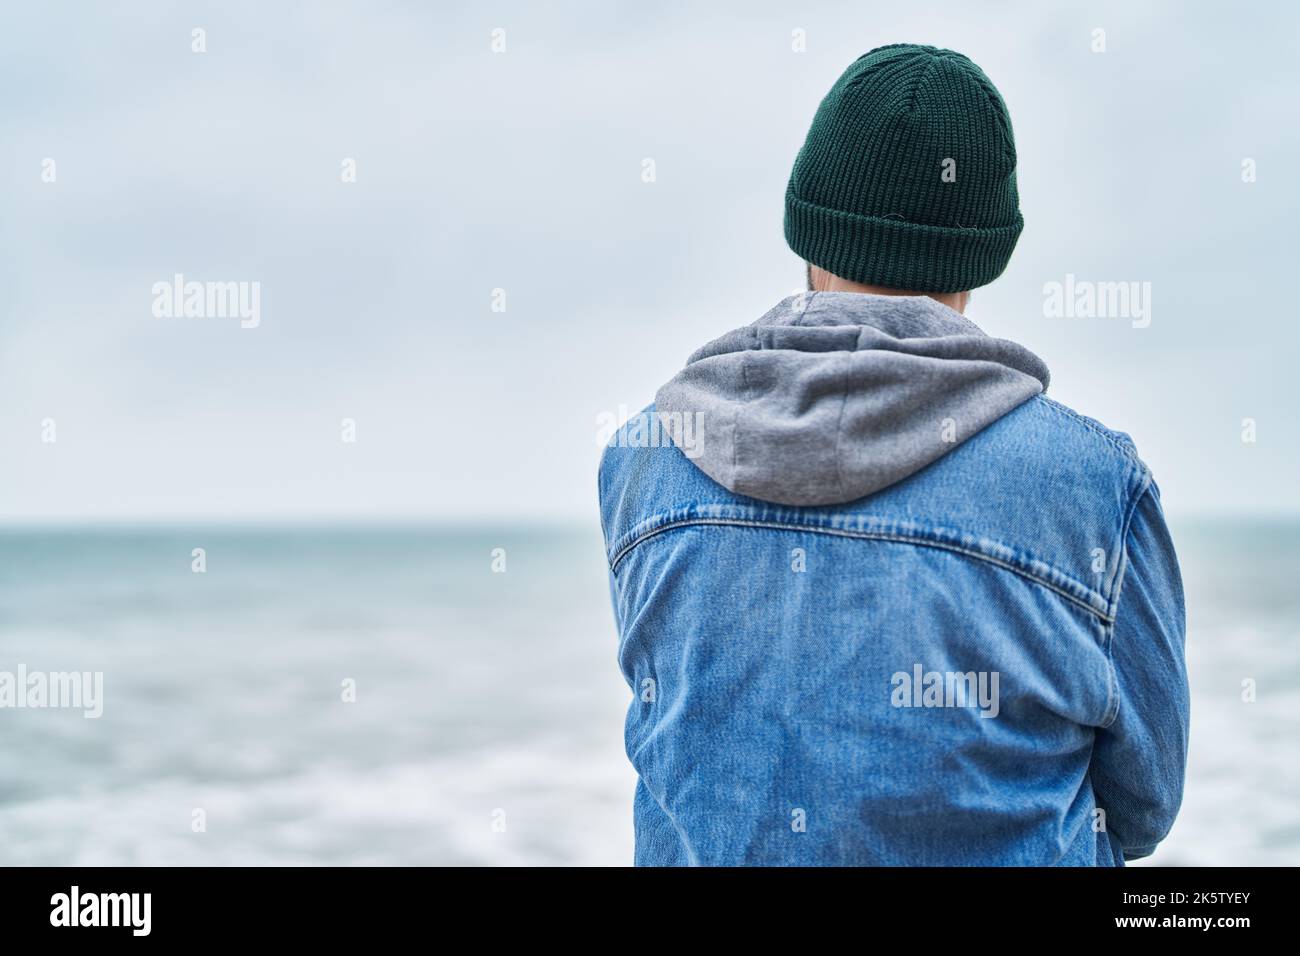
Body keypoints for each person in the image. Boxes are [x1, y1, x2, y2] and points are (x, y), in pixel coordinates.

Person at [598, 44, 1188, 865]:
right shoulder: (1092, 486)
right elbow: (1146, 802)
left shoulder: (647, 459)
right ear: (982, 255)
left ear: (805, 225)